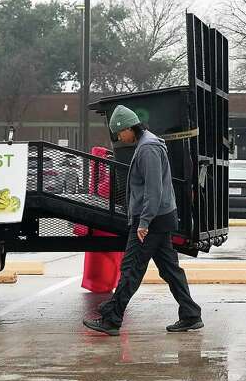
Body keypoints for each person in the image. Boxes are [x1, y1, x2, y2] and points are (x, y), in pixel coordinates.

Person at [83, 105, 203, 336]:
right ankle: (190, 314)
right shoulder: (147, 144)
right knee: (170, 269)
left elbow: (153, 189)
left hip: (151, 220)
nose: (119, 138)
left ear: (129, 128)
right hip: (159, 218)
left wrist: (144, 222)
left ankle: (111, 319)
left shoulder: (147, 149)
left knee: (131, 269)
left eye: (119, 133)